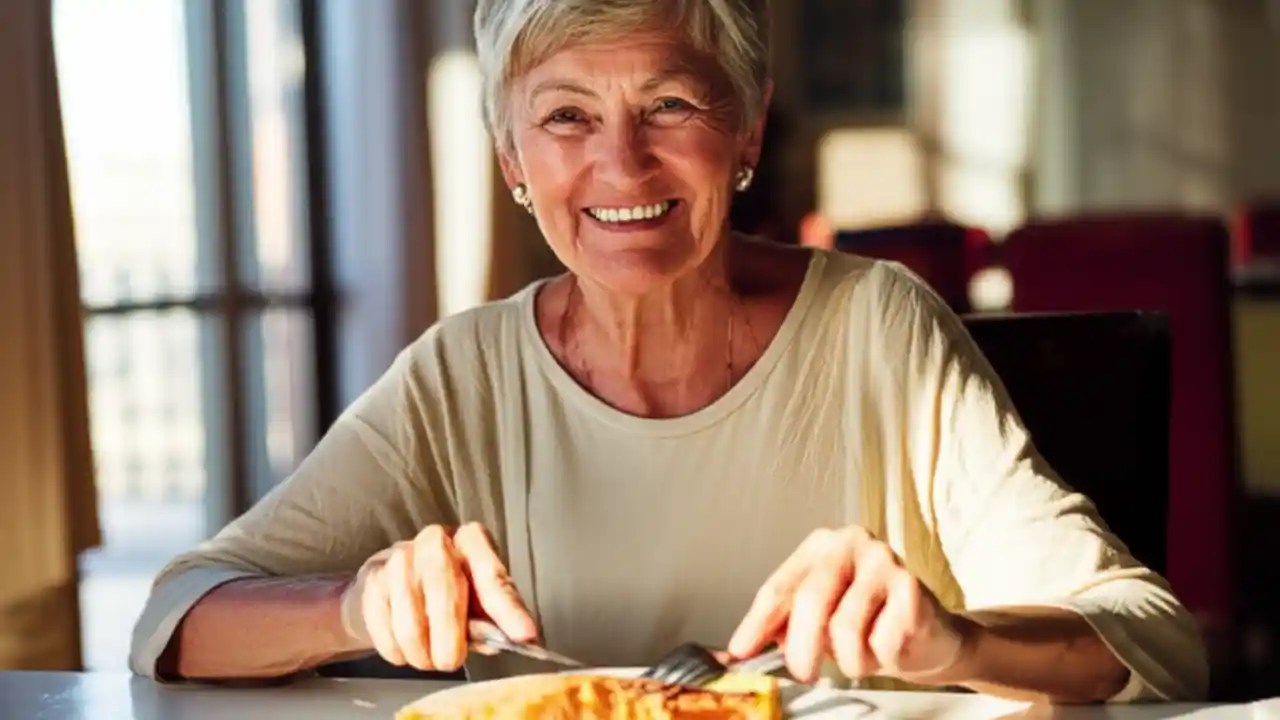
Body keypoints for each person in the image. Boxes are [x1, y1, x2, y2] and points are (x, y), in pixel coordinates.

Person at [130, 0, 1206, 703]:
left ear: (745, 131)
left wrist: (956, 643)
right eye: (564, 117)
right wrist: (351, 606)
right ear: (509, 154)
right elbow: (179, 616)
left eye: (670, 103)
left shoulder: (877, 326)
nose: (620, 163)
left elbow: (1148, 636)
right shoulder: (461, 377)